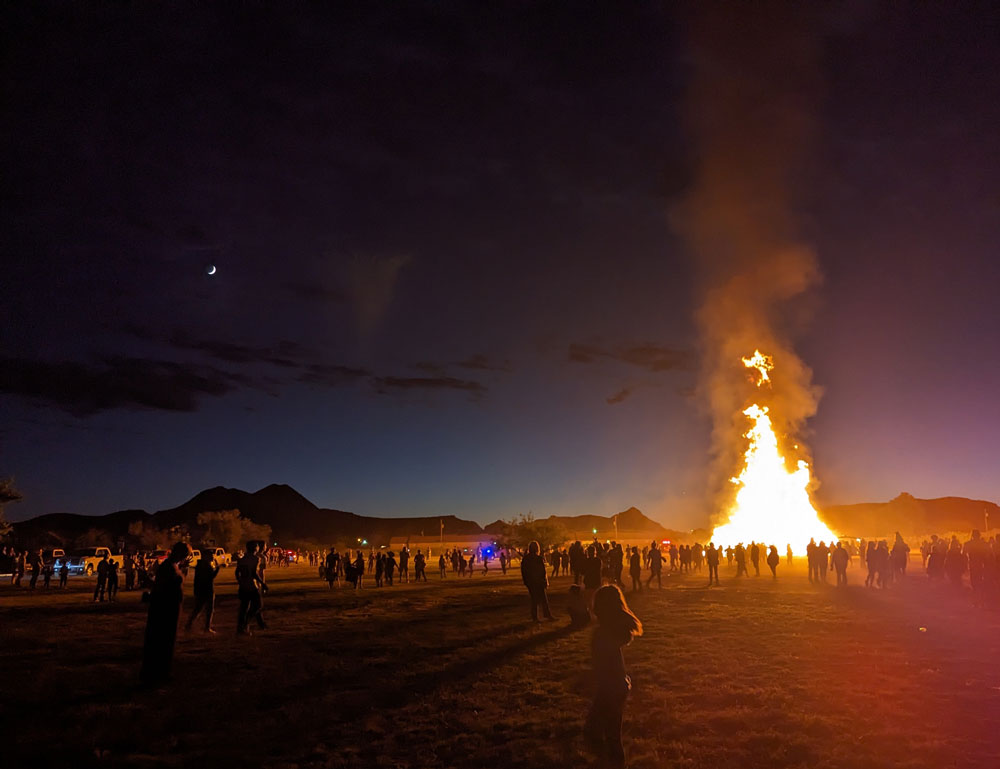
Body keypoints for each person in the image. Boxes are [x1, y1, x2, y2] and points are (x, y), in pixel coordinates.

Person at [585, 584, 643, 769]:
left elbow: (603, 664)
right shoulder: (613, 630)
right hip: (618, 685)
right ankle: (612, 762)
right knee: (611, 733)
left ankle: (610, 762)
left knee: (596, 732)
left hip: (610, 688)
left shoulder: (603, 633)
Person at [140, 542, 192, 686]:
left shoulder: (172, 565)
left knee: (166, 640)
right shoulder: (168, 567)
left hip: (170, 607)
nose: (186, 558)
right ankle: (158, 673)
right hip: (165, 609)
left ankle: (160, 671)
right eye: (186, 555)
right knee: (163, 641)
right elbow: (162, 587)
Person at [236, 542, 267, 636]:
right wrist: (262, 583)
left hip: (243, 586)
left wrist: (240, 581)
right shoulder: (256, 559)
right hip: (252, 585)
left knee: (244, 607)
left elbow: (237, 572)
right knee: (258, 605)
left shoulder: (242, 559)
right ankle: (246, 623)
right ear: (255, 548)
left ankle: (240, 628)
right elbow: (254, 573)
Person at [186, 552, 220, 633]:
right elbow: (211, 577)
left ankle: (189, 625)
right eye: (211, 556)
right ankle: (207, 627)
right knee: (209, 609)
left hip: (200, 590)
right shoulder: (206, 566)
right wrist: (217, 568)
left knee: (198, 608)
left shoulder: (200, 565)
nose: (212, 557)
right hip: (207, 589)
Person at [521, 541, 553, 622]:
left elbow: (524, 571)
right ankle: (547, 615)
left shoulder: (526, 559)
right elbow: (542, 571)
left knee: (534, 599)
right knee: (543, 599)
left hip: (530, 582)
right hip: (538, 581)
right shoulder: (538, 558)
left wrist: (526, 581)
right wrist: (544, 581)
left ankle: (535, 617)